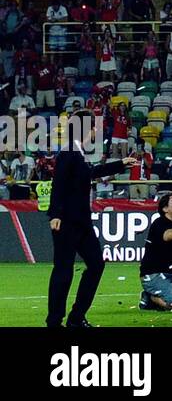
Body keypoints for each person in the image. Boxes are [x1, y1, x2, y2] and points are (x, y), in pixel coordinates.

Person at [46, 112, 137, 327]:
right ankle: (55, 320)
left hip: (81, 221)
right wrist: (56, 214)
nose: (97, 130)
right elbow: (58, 183)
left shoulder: (77, 152)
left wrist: (119, 163)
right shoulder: (69, 152)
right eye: (94, 126)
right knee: (64, 270)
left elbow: (89, 173)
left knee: (95, 265)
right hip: (67, 221)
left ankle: (76, 317)